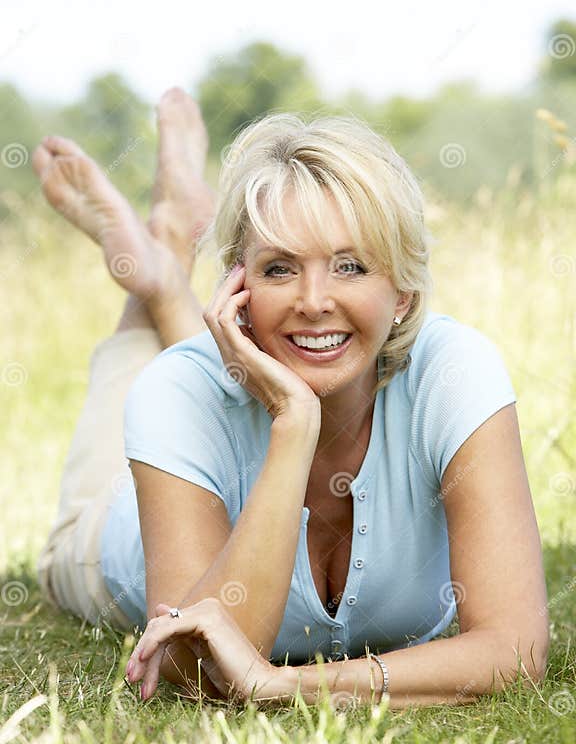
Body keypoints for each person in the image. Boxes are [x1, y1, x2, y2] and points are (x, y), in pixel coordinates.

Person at [35, 88, 549, 709]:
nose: (313, 299)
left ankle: (169, 258)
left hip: (226, 385)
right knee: (102, 489)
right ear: (237, 287)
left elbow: (514, 651)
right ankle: (160, 269)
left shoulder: (454, 374)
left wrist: (286, 684)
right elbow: (195, 663)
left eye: (350, 267)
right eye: (278, 268)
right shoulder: (176, 390)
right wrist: (295, 425)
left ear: (405, 294)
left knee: (249, 367)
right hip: (105, 533)